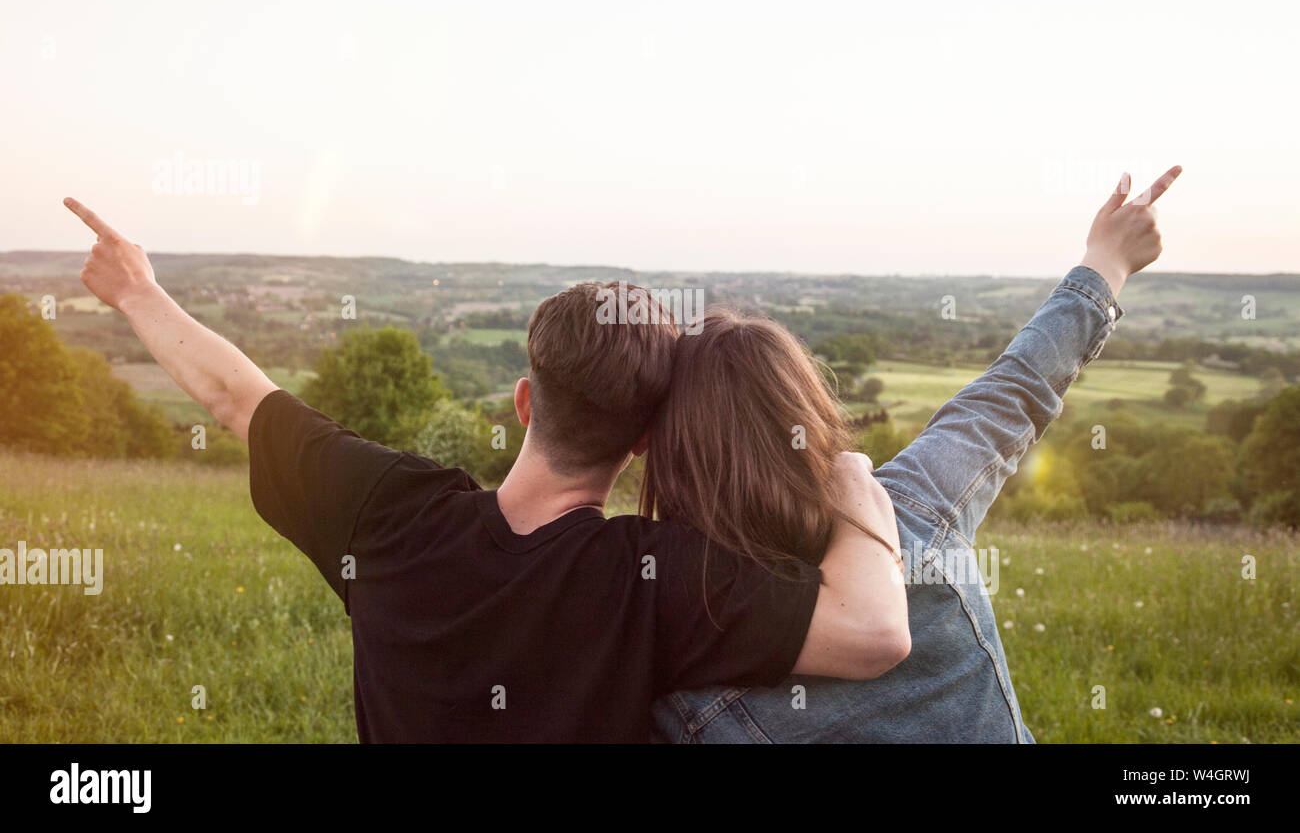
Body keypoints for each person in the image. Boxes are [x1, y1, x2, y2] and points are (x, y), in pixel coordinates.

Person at [62, 198, 910, 742]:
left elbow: (237, 399)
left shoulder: (387, 512)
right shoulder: (655, 579)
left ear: (524, 401)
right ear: (643, 440)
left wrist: (136, 289)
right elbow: (876, 633)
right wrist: (850, 478)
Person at [647, 167, 1182, 742]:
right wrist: (1107, 261)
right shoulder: (915, 504)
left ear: (674, 455)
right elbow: (1018, 387)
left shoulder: (678, 667)